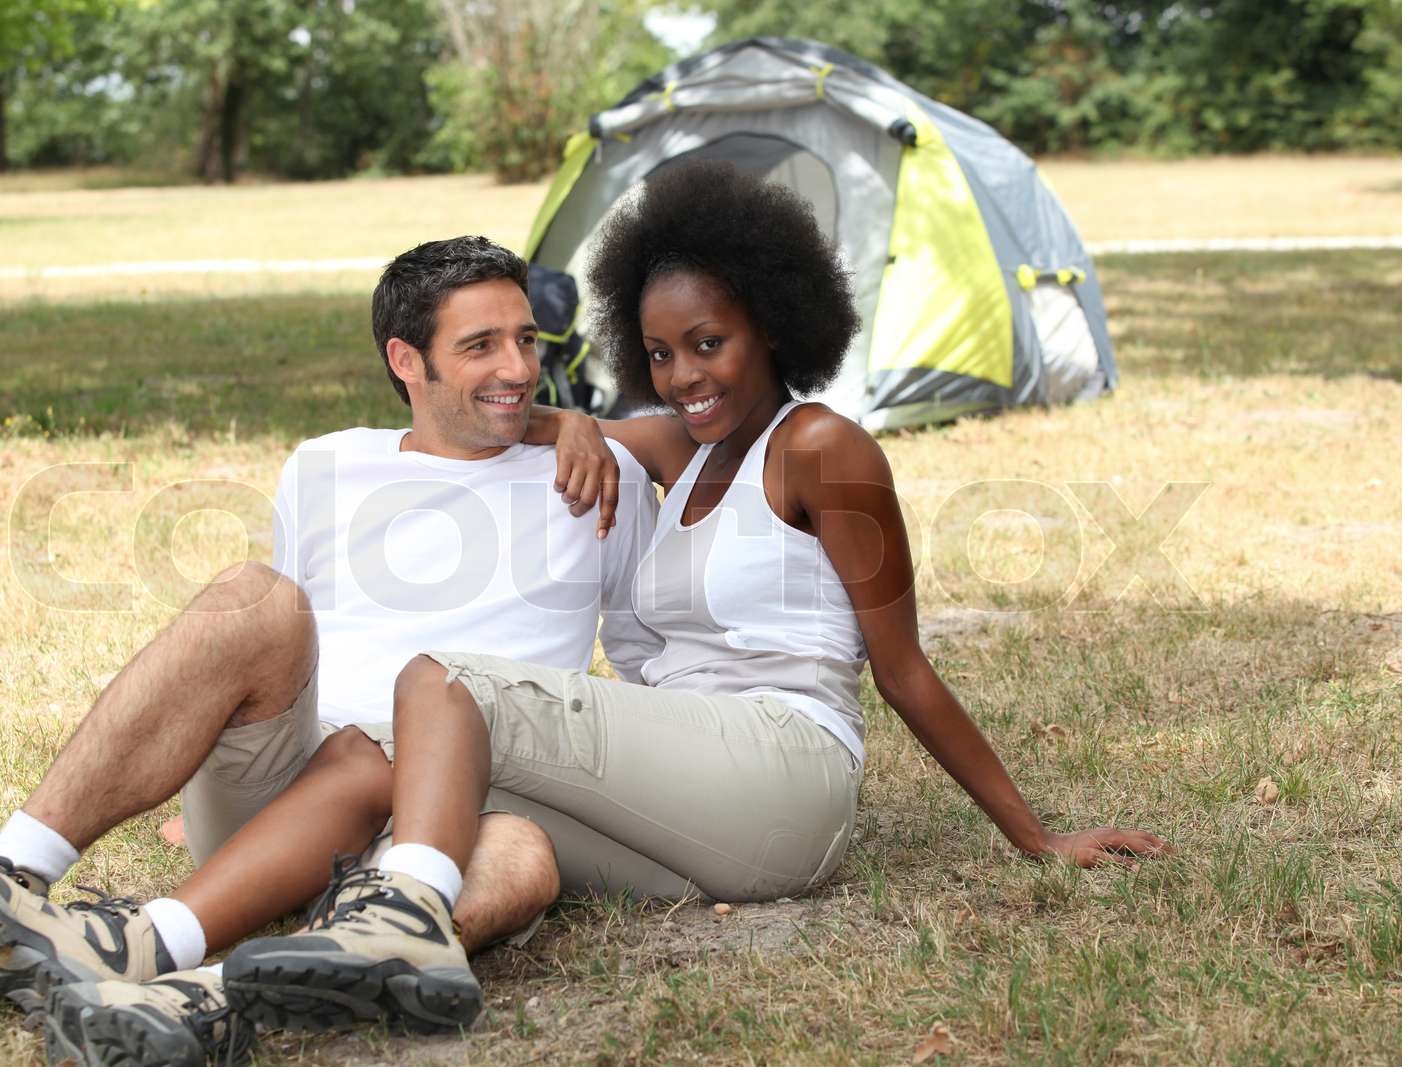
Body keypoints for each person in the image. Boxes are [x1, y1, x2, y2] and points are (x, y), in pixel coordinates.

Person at [219, 163, 1176, 1037]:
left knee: (445, 692)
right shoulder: (686, 448)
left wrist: (1036, 835)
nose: (685, 378)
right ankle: (256, 953)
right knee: (412, 766)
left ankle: (404, 916)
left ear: (772, 322)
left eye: (708, 343)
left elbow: (904, 670)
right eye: (661, 353)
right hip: (689, 791)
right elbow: (515, 416)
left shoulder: (822, 450)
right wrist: (579, 422)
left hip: (782, 767)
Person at [0, 236, 654, 1065]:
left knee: (525, 855)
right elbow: (273, 659)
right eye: (479, 345)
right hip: (295, 778)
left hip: (458, 812)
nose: (517, 365)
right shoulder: (327, 464)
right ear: (406, 360)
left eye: (526, 339)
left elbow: (642, 653)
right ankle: (6, 880)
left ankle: (205, 989)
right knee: (256, 596)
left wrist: (578, 423)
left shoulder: (599, 477)